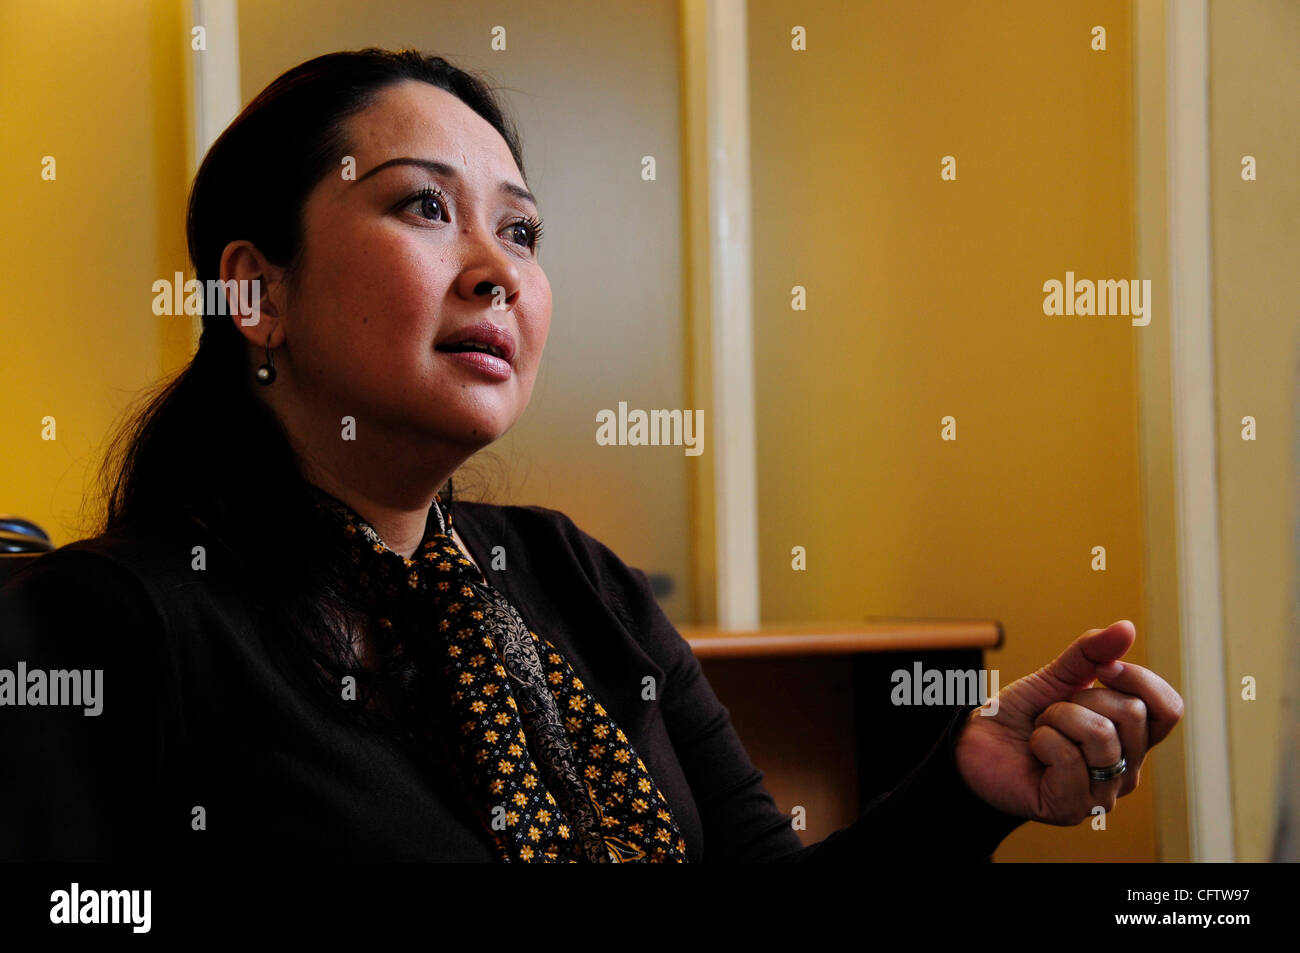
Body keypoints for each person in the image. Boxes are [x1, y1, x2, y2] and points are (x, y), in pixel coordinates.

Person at [0, 48, 1183, 863]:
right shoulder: (106, 622)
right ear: (255, 292)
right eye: (423, 207)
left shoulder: (569, 576)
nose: (497, 269)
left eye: (520, 230)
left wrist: (966, 790)